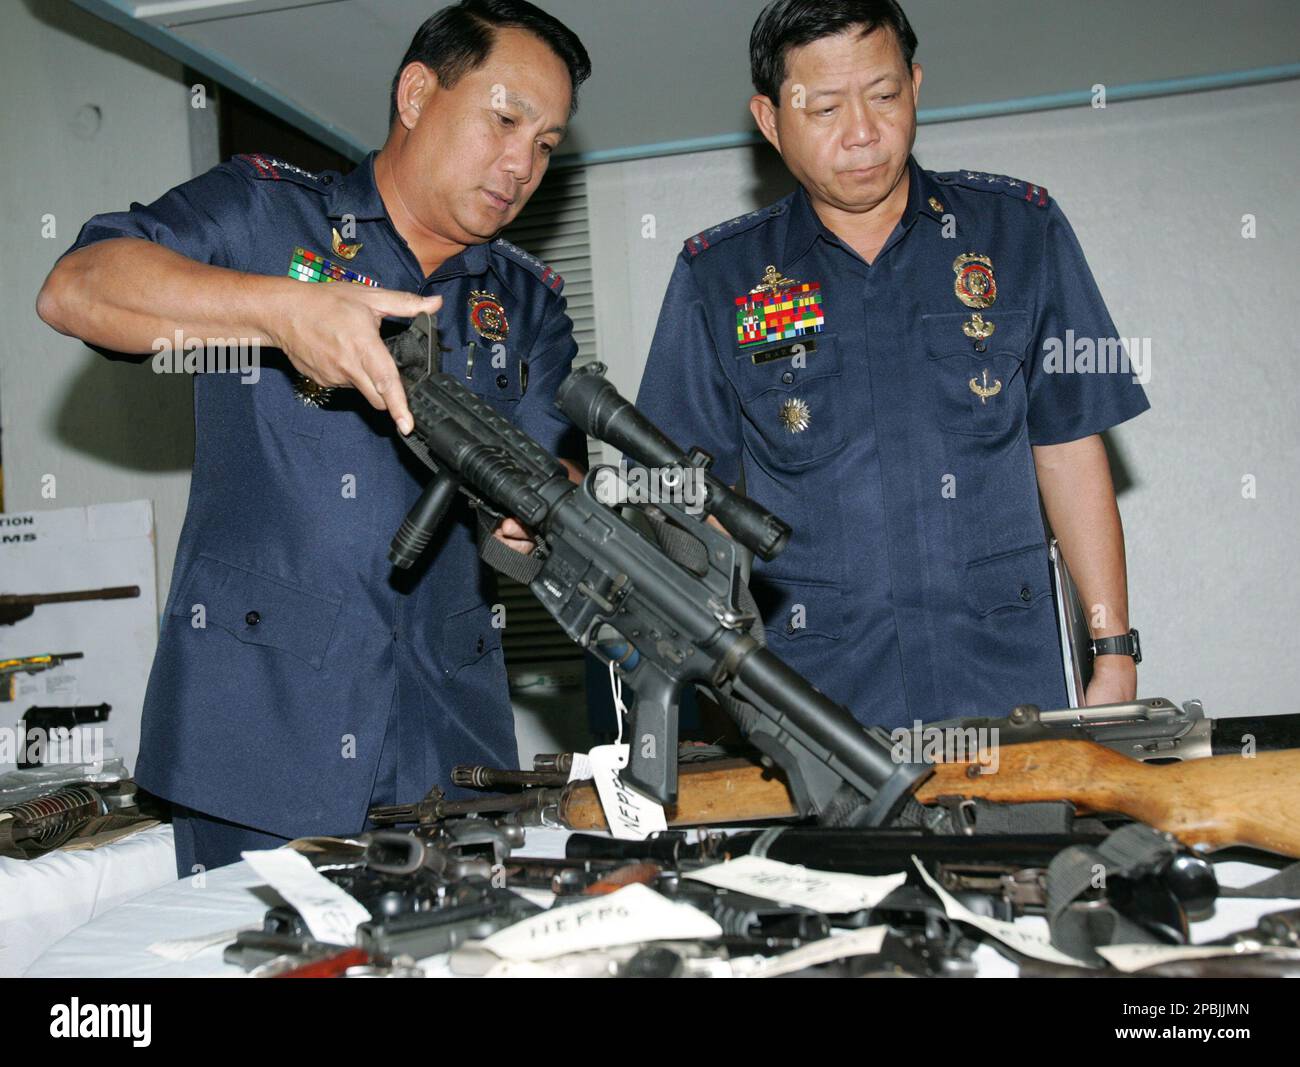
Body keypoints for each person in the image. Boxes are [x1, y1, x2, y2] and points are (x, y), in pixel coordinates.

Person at [36, 0, 590, 876]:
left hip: (450, 747)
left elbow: (550, 468)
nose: (522, 163)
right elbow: (76, 289)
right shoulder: (267, 217)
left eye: (548, 143)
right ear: (416, 94)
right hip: (260, 736)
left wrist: (541, 516)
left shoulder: (525, 304)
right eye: (506, 118)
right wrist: (281, 310)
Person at [636, 0, 1148, 731]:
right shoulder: (720, 278)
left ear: (914, 84)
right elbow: (683, 497)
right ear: (770, 120)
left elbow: (1067, 447)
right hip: (820, 707)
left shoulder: (1017, 232)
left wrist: (1113, 650)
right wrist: (730, 668)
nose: (863, 134)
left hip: (1013, 685)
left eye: (883, 96)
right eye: (825, 109)